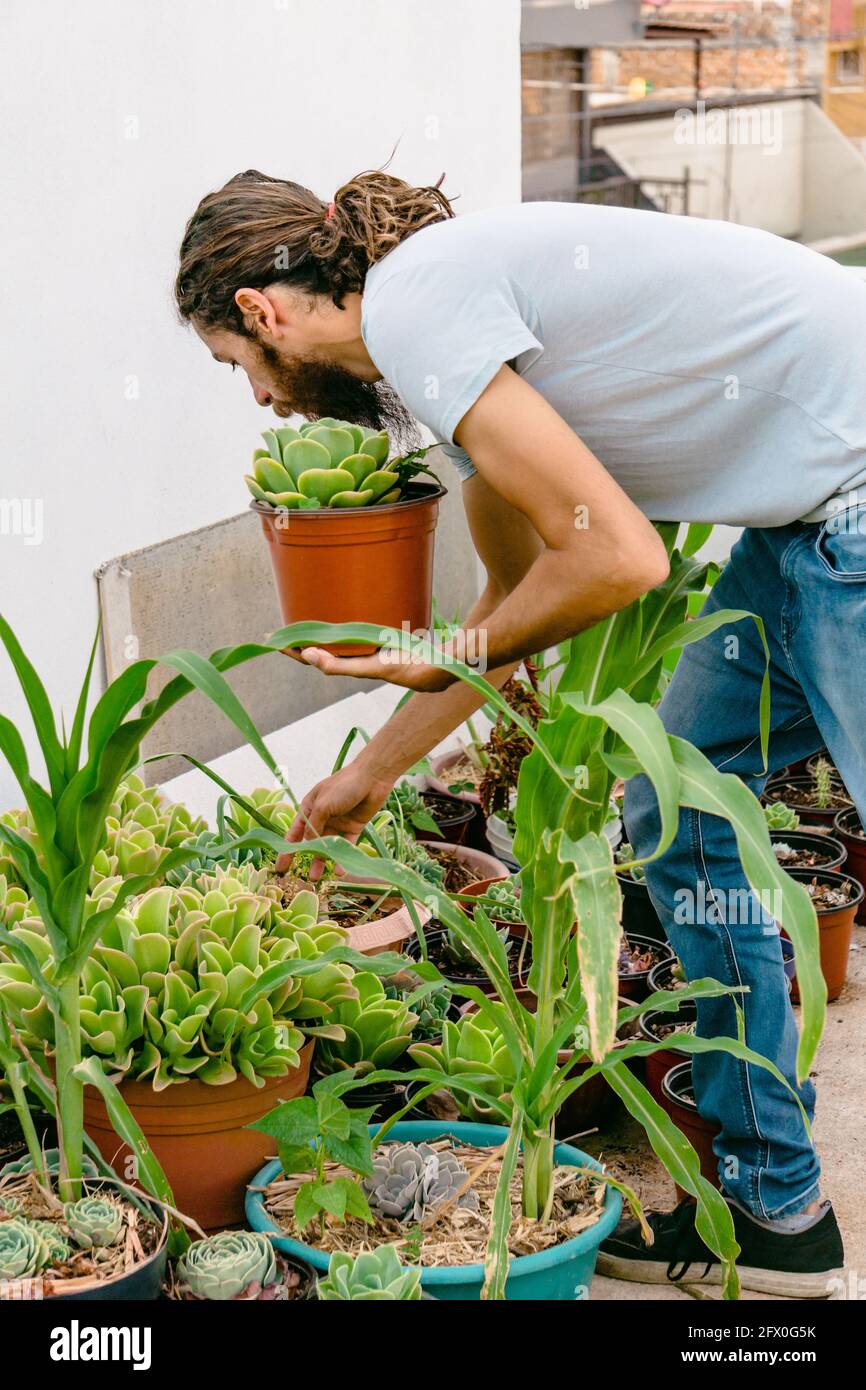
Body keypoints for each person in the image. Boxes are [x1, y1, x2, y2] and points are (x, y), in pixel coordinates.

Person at [175, 168, 864, 1295]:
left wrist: (441, 654)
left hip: (856, 500)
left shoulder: (418, 305)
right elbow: (508, 617)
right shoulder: (445, 356)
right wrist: (367, 777)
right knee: (678, 813)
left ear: (262, 311)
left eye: (237, 365)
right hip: (802, 529)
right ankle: (773, 1212)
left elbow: (620, 560)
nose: (261, 399)